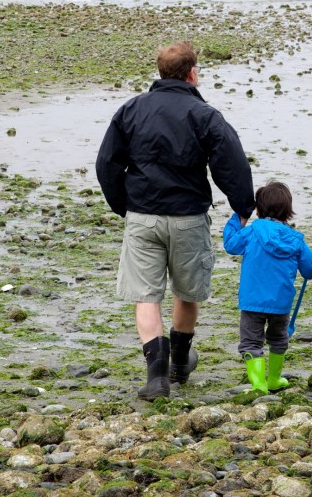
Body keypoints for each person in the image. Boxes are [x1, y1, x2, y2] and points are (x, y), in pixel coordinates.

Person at [96, 41, 255, 400]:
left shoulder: (132, 109)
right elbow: (231, 163)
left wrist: (124, 205)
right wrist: (243, 207)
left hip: (143, 216)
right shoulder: (205, 115)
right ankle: (180, 362)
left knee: (145, 295)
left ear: (160, 72)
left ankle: (157, 377)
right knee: (186, 291)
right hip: (188, 217)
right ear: (192, 73)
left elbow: (107, 163)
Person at [223, 181, 312, 394]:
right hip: (280, 303)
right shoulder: (295, 239)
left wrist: (237, 217)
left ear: (258, 209)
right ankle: (274, 379)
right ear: (288, 211)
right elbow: (311, 269)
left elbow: (231, 244)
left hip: (252, 302)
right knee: (278, 339)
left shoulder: (253, 231)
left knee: (250, 343)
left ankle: (259, 385)